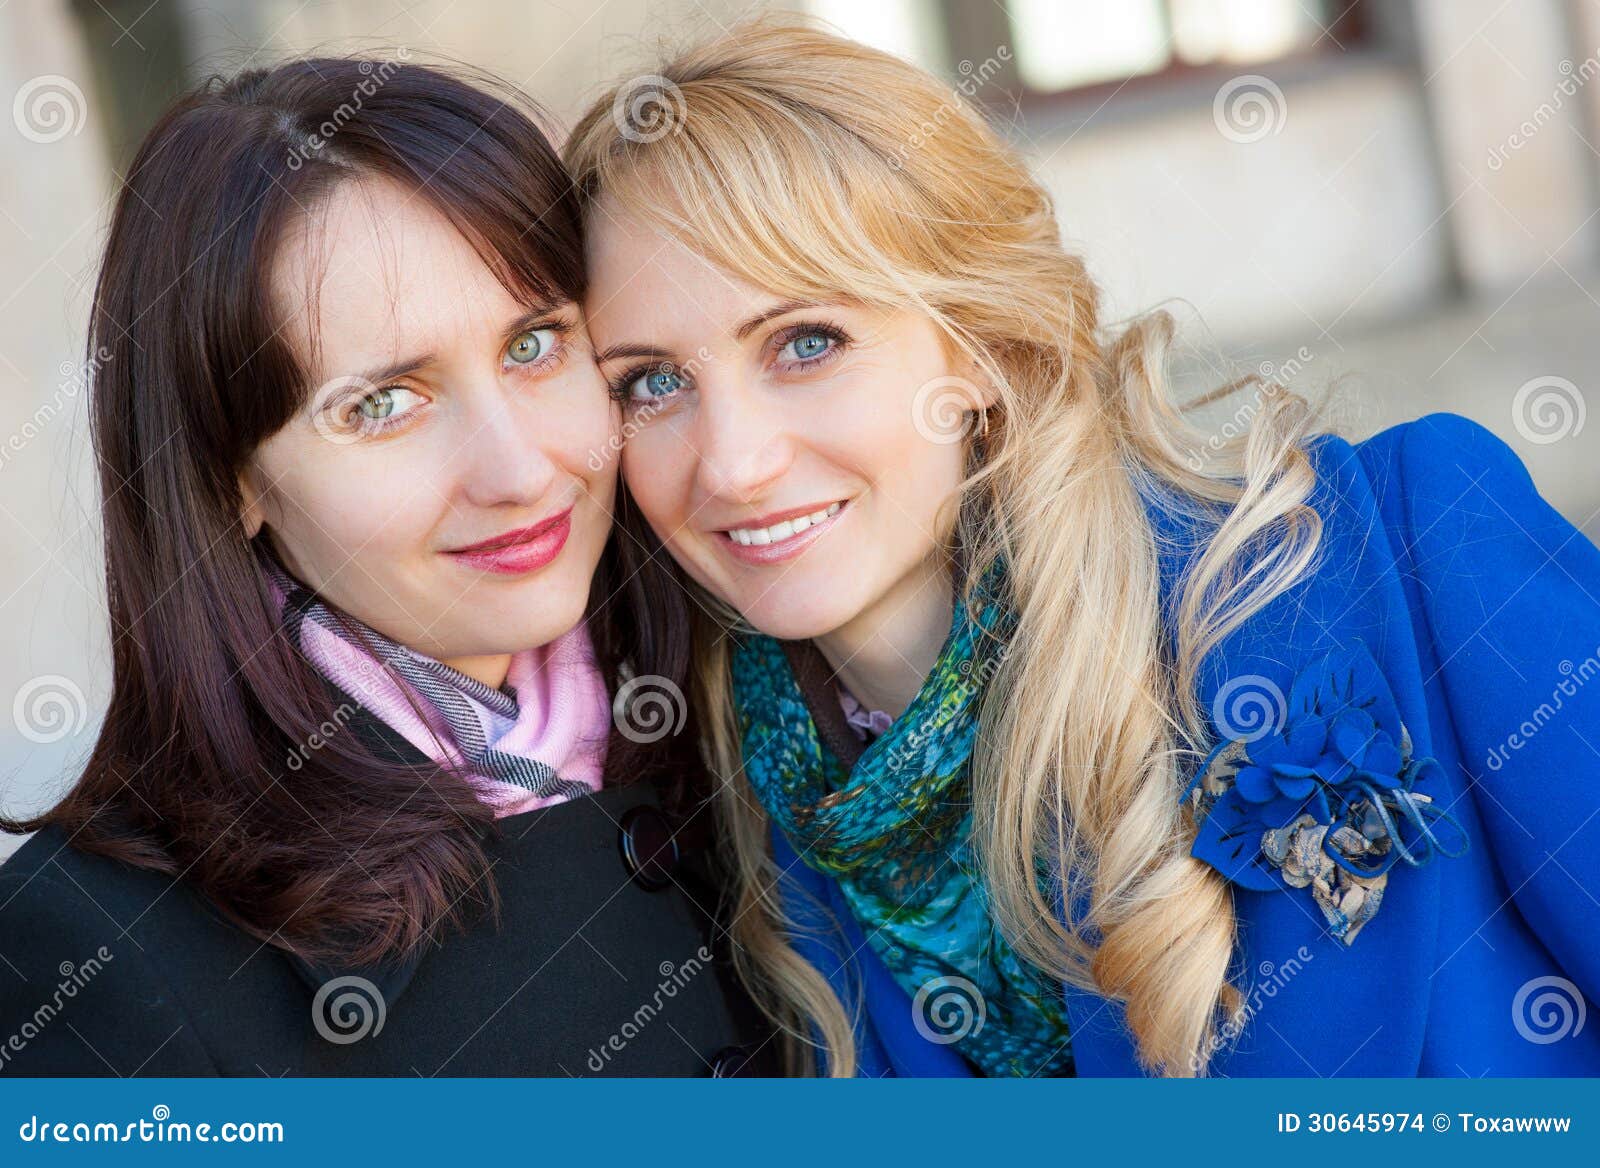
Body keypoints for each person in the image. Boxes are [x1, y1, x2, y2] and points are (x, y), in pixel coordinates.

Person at [565, 15, 1600, 1076]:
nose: (733, 464)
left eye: (806, 342)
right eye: (652, 381)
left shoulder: (1410, 548)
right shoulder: (737, 828)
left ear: (978, 345)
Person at [0, 56, 771, 1077]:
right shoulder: (99, 960)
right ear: (232, 482)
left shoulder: (754, 731)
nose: (518, 471)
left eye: (534, 345)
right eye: (382, 404)